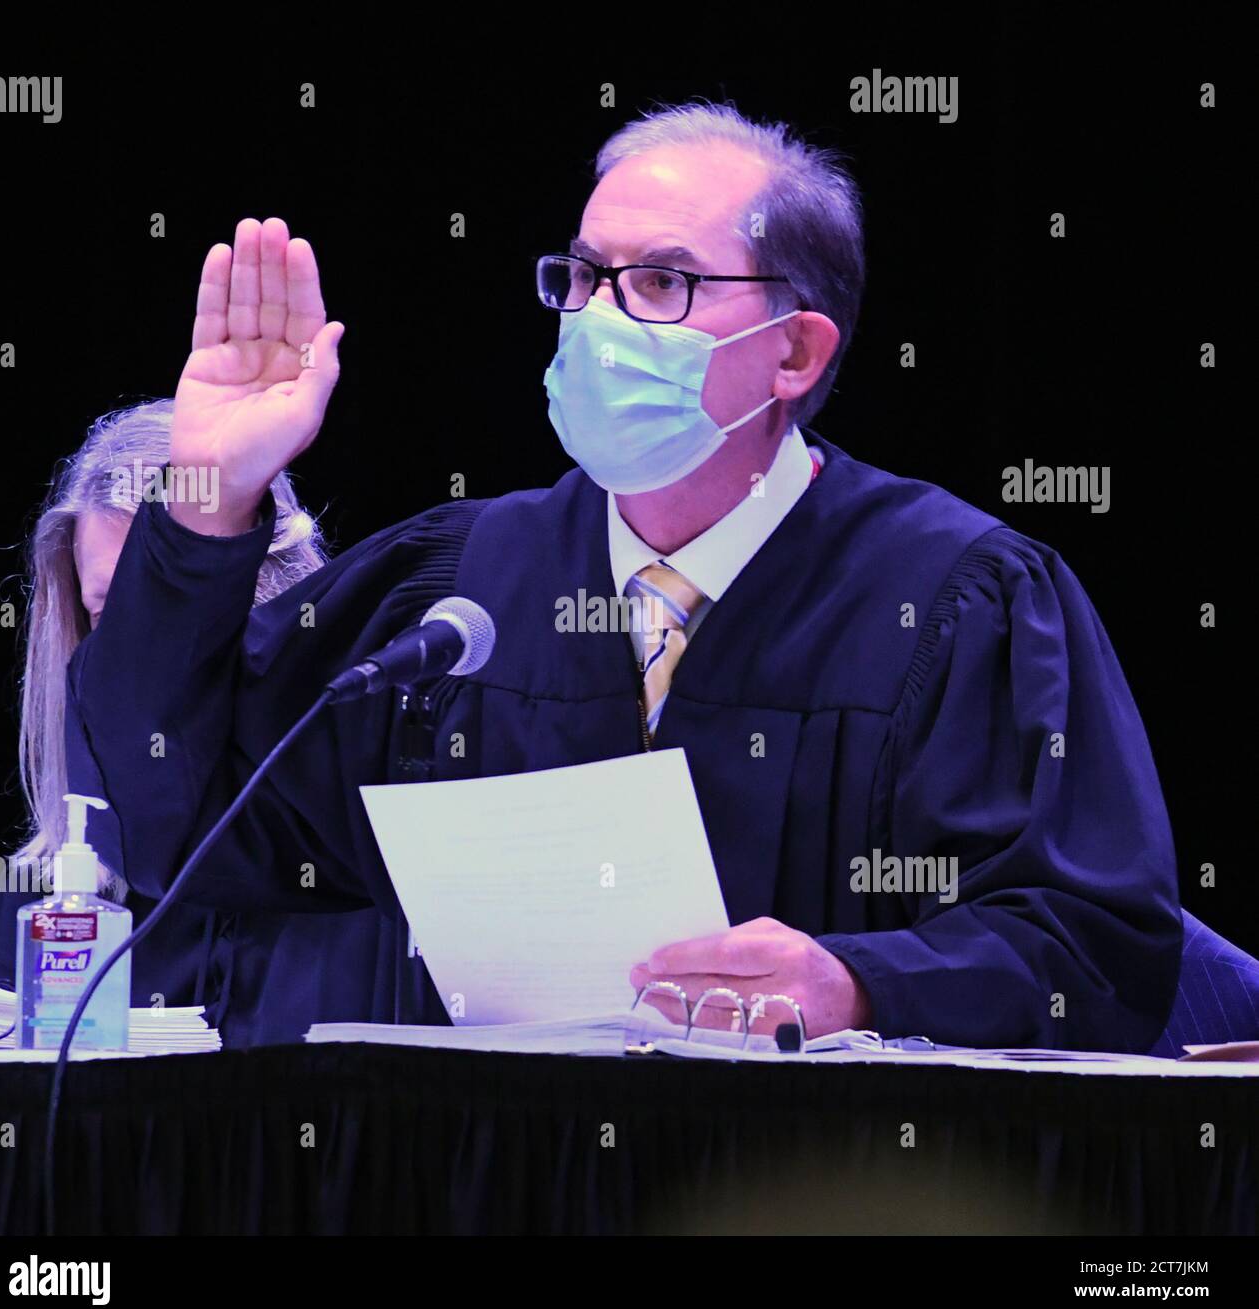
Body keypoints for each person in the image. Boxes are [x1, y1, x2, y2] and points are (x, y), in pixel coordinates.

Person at [65, 101, 1182, 1049]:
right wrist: (209, 495)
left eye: (660, 282)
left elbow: (1093, 942)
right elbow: (183, 808)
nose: (599, 320)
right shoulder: (459, 582)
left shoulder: (956, 596)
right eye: (587, 276)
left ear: (796, 351)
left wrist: (860, 981)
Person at [0, 399, 403, 1047]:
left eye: (168, 606)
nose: (135, 652)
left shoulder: (384, 864)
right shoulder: (45, 897)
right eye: (108, 613)